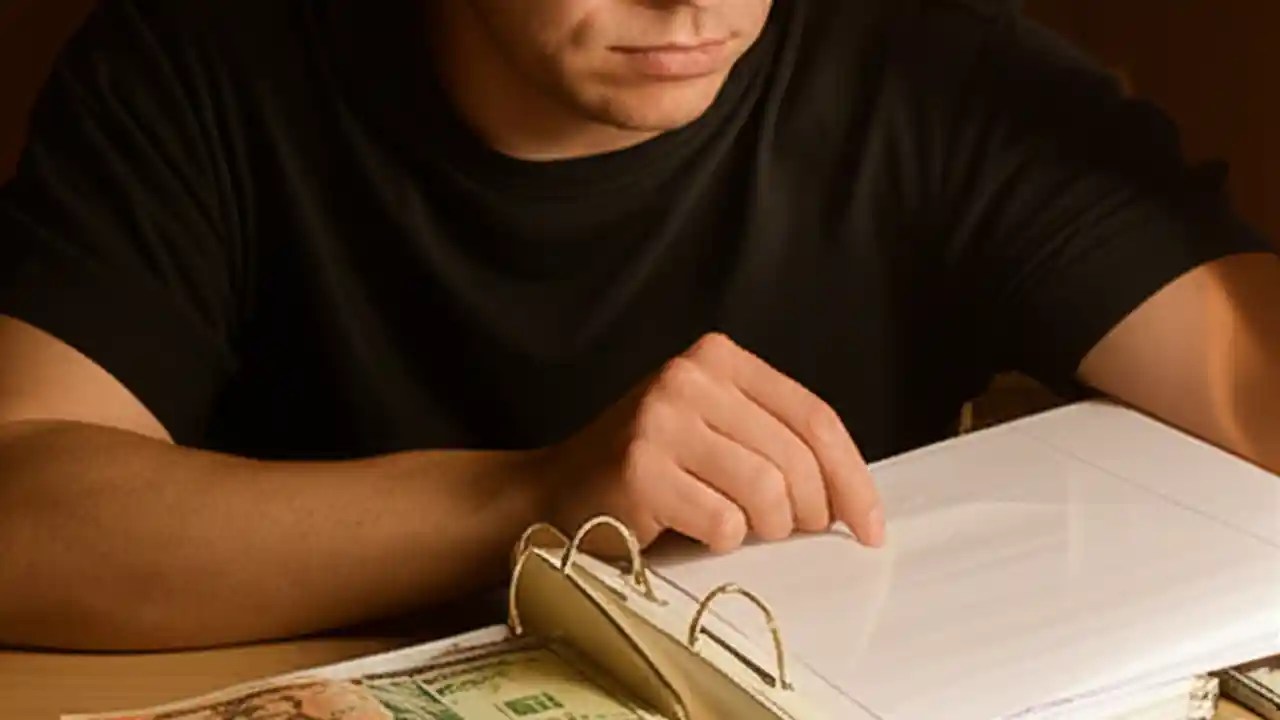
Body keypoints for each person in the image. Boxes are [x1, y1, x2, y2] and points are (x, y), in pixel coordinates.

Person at [0, 0, 1276, 652]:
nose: (686, 0)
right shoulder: (204, 59)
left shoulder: (928, 63)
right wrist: (532, 502)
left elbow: (1246, 394)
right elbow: (23, 511)